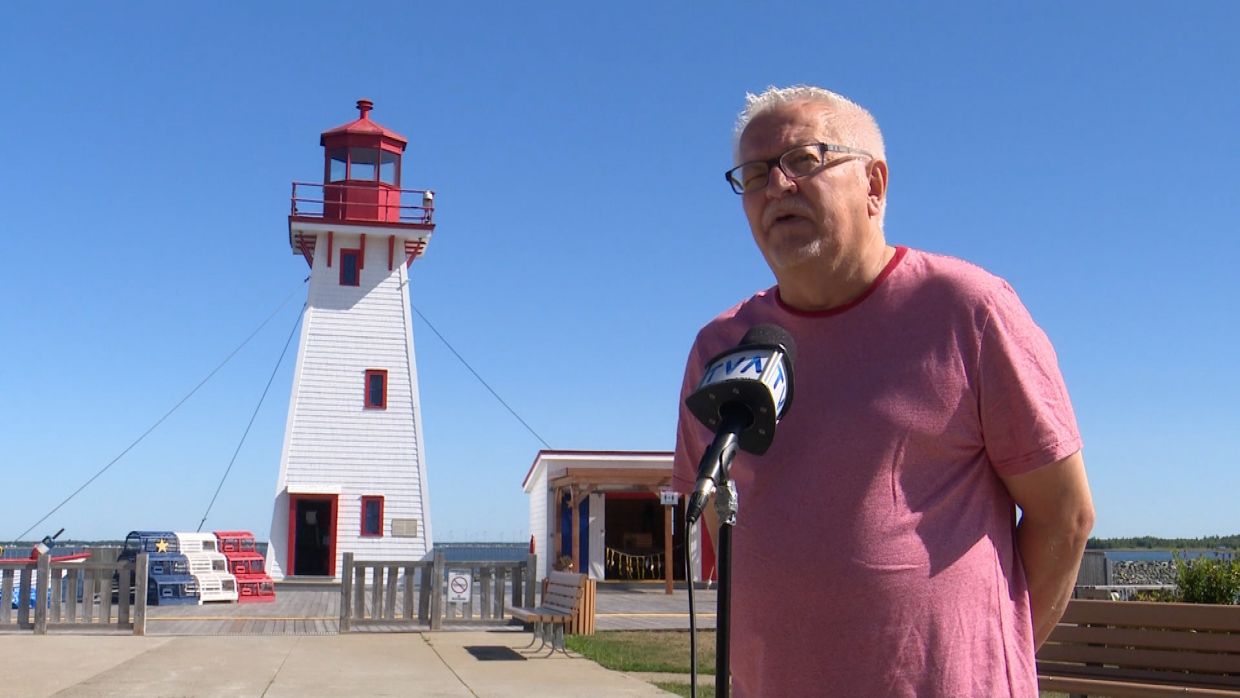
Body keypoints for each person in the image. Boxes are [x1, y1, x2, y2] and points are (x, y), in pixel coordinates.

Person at [672, 85, 1095, 697]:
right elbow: (715, 514)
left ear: (874, 184)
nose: (776, 187)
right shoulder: (720, 348)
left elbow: (1066, 514)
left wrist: (986, 663)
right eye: (756, 173)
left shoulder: (968, 311)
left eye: (804, 160)